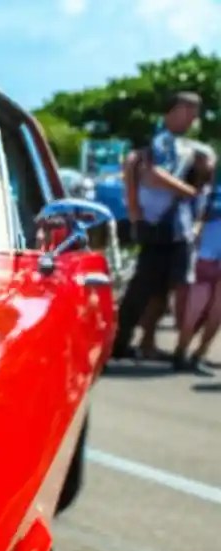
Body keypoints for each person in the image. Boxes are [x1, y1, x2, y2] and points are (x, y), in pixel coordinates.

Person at [111, 92, 205, 361]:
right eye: (186, 110)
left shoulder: (184, 146)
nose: (191, 117)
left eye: (194, 111)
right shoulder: (160, 141)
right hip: (157, 225)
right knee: (142, 288)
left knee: (161, 289)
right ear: (171, 111)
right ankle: (120, 341)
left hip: (174, 227)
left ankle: (145, 342)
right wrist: (189, 192)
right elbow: (152, 176)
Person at [174, 155, 220, 369]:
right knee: (198, 308)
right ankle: (184, 353)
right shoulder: (208, 192)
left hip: (207, 252)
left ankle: (195, 354)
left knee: (215, 310)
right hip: (206, 254)